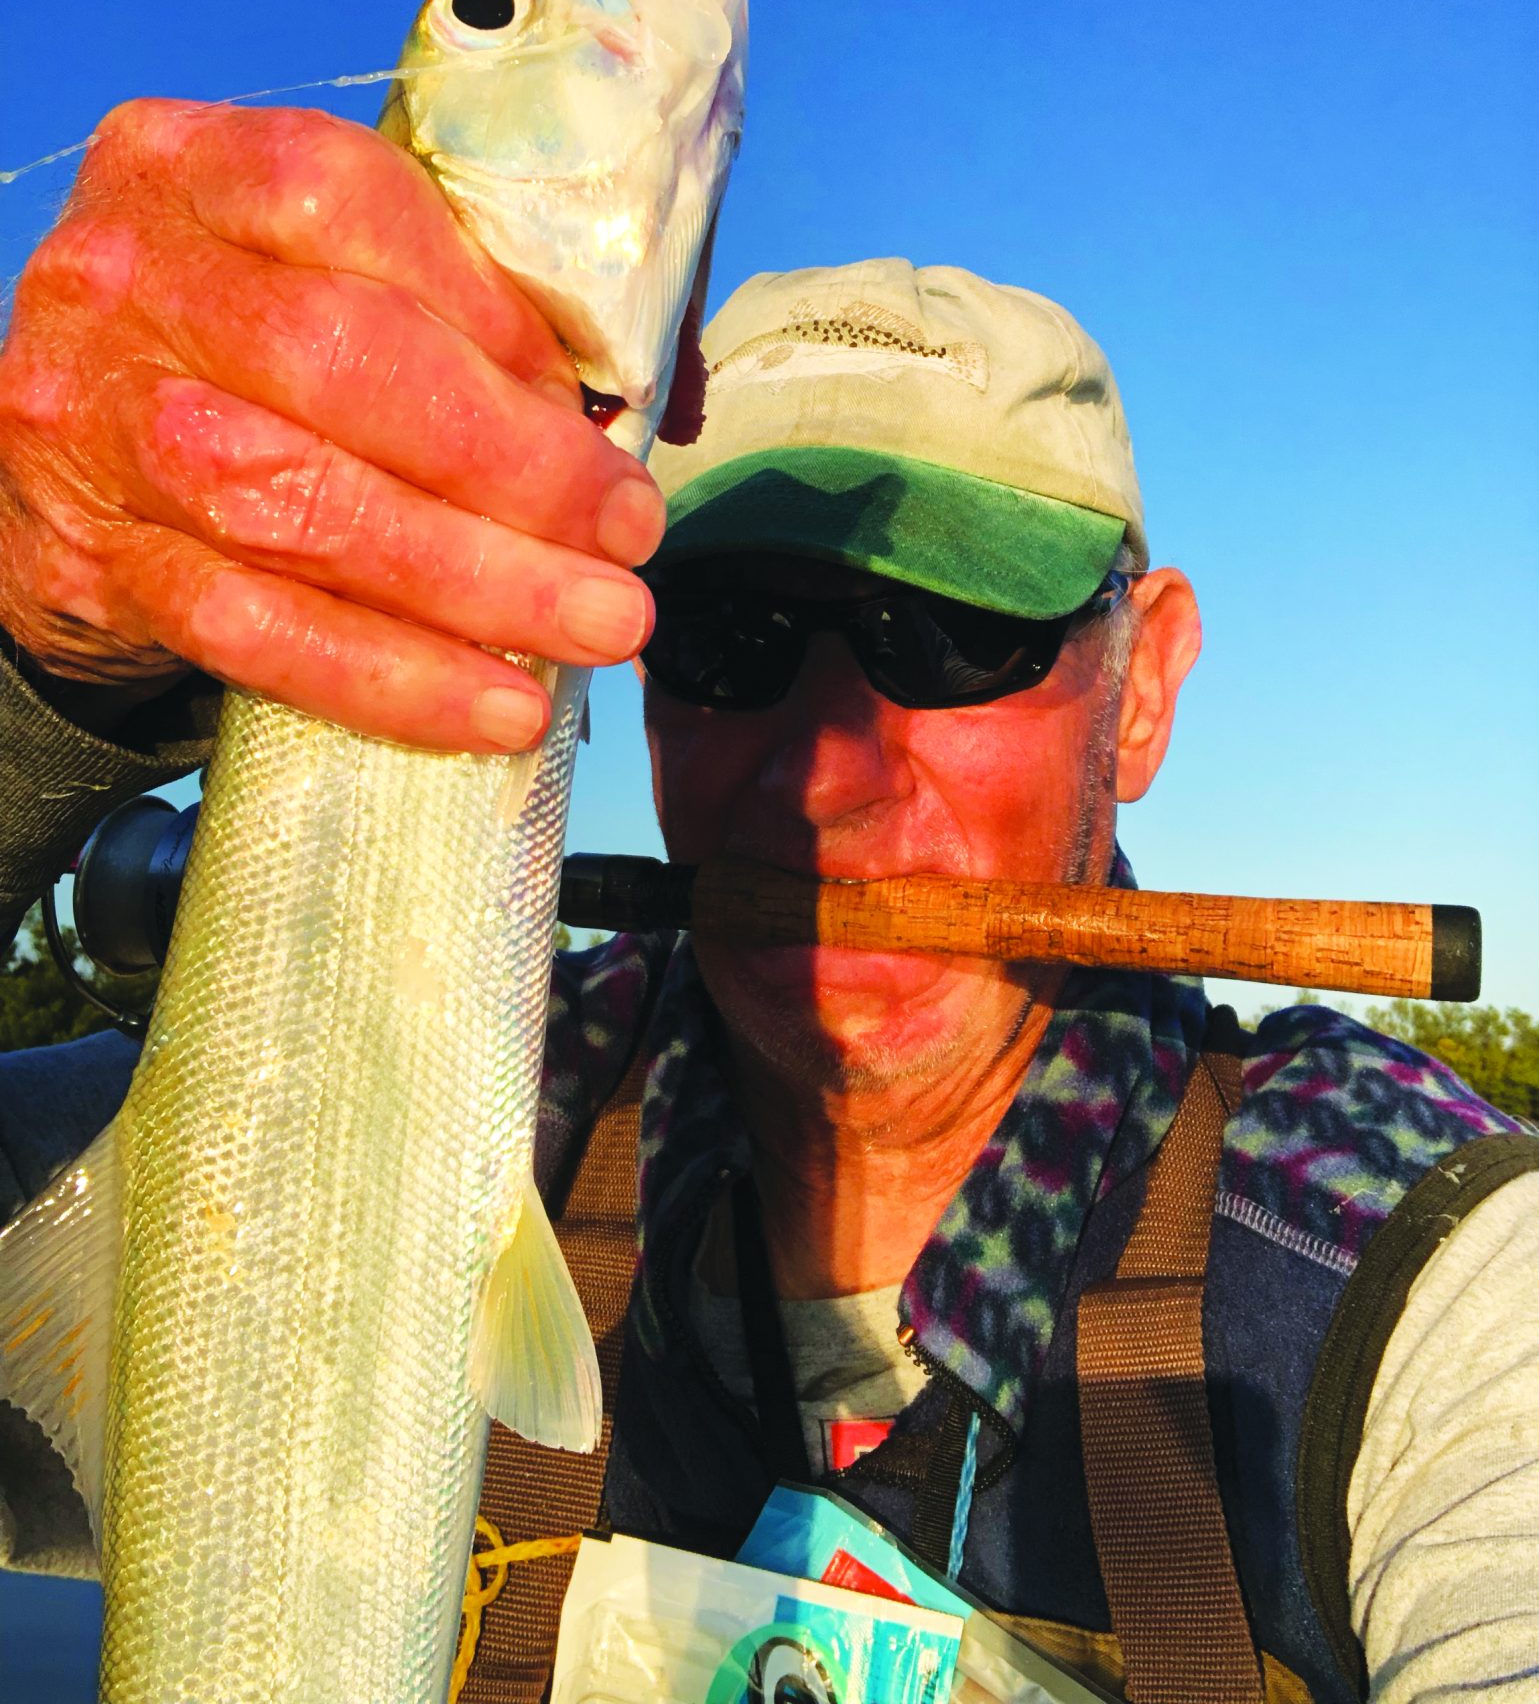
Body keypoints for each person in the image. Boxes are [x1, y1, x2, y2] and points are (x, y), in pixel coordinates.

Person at [0, 101, 1535, 1702]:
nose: (826, 773)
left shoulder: (1428, 1288)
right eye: (720, 633)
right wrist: (30, 692)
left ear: (1143, 685)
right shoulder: (343, 1111)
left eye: (949, 632)